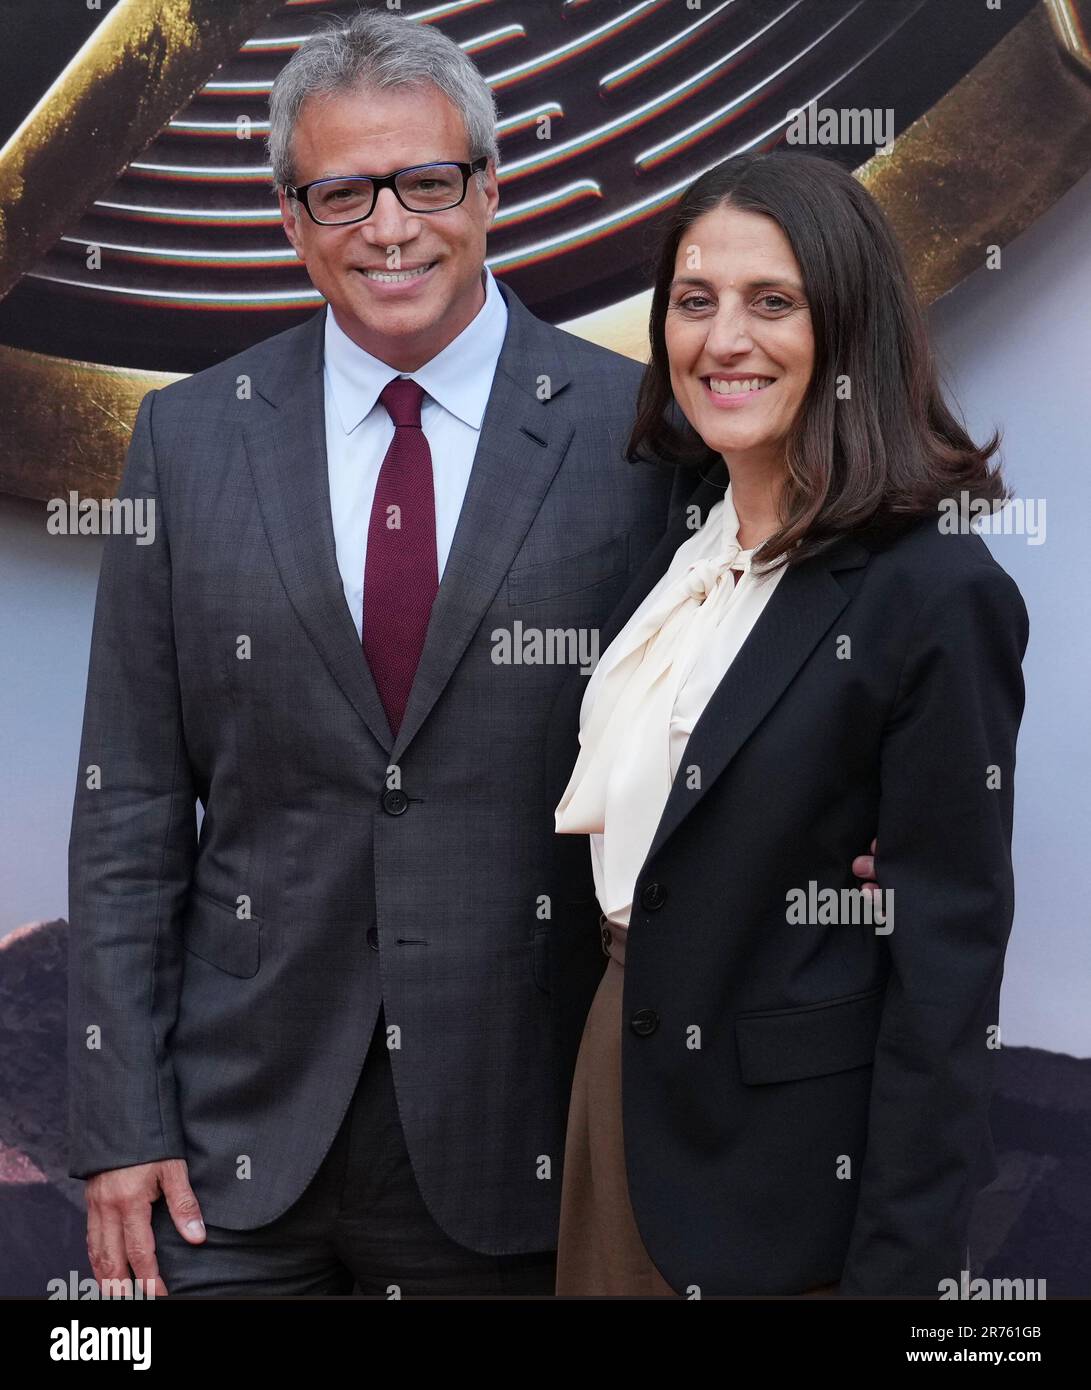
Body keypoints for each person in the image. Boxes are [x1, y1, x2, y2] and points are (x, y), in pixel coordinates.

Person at [66, 14, 876, 1297]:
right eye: (342, 192)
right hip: (227, 1148)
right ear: (292, 216)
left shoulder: (644, 435)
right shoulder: (185, 442)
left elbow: (746, 699)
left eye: (427, 182)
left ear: (488, 188)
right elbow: (131, 812)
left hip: (522, 1134)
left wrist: (858, 813)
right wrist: (118, 1124)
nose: (389, 227)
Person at [548, 150, 1029, 1298]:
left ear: (848, 327)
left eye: (773, 302)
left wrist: (899, 1279)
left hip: (781, 1184)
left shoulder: (932, 590)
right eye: (693, 301)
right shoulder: (678, 553)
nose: (723, 340)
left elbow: (942, 980)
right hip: (619, 1093)